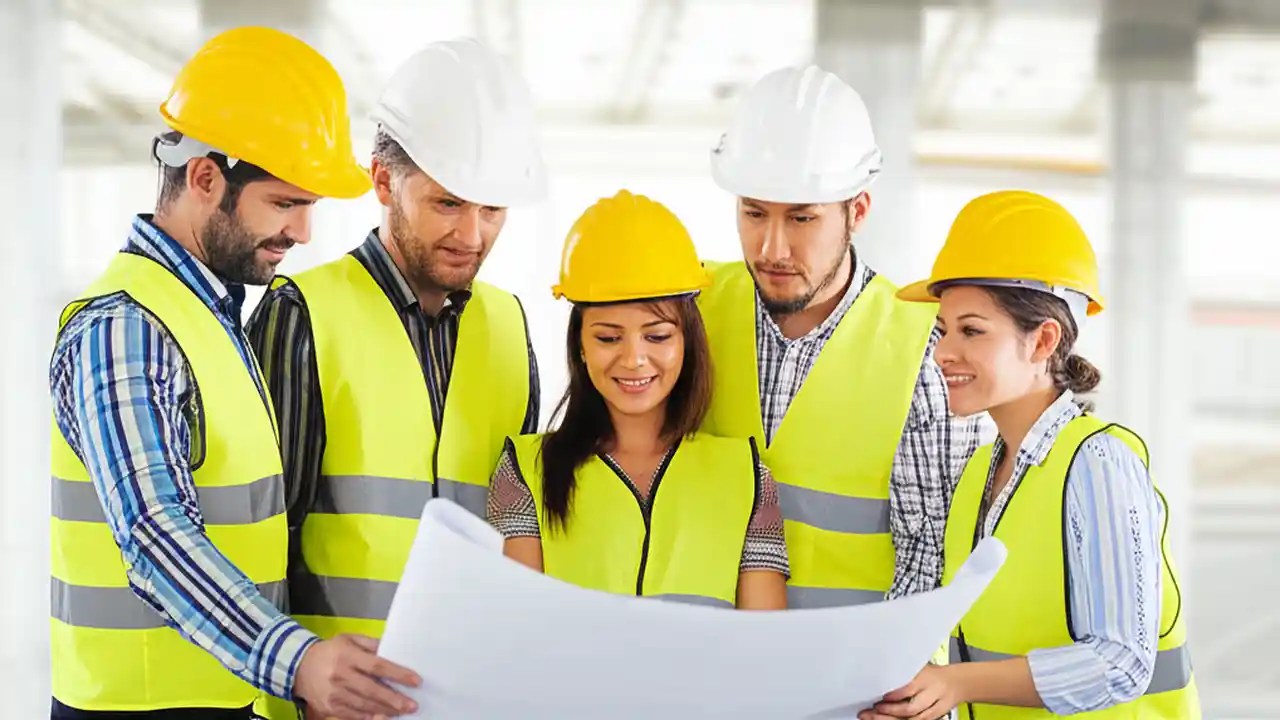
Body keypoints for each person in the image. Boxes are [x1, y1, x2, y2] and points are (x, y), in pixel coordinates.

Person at [47, 26, 419, 720]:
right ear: (206, 178)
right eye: (285, 203)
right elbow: (156, 533)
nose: (304, 232)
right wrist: (299, 659)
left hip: (225, 700)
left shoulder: (214, 316)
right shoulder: (126, 330)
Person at [247, 36, 544, 671]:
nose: (473, 235)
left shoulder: (510, 327)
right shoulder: (303, 313)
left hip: (468, 692)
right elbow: (260, 542)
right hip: (334, 699)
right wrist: (298, 677)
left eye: (493, 208)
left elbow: (520, 531)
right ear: (384, 181)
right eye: (448, 203)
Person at [860, 190, 1199, 720]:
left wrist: (954, 684)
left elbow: (1121, 662)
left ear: (1043, 341)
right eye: (942, 330)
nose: (943, 352)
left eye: (972, 330)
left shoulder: (1098, 464)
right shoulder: (978, 473)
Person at [698, 64, 989, 609]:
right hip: (711, 670)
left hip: (855, 683)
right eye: (754, 214)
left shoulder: (926, 349)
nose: (771, 249)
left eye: (802, 219)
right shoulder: (689, 311)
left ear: (857, 211)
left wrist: (886, 673)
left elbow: (936, 560)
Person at [486, 190, 789, 609]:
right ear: (580, 346)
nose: (633, 359)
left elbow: (766, 650)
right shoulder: (524, 472)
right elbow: (515, 636)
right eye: (608, 337)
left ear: (688, 343)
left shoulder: (749, 478)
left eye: (657, 336)